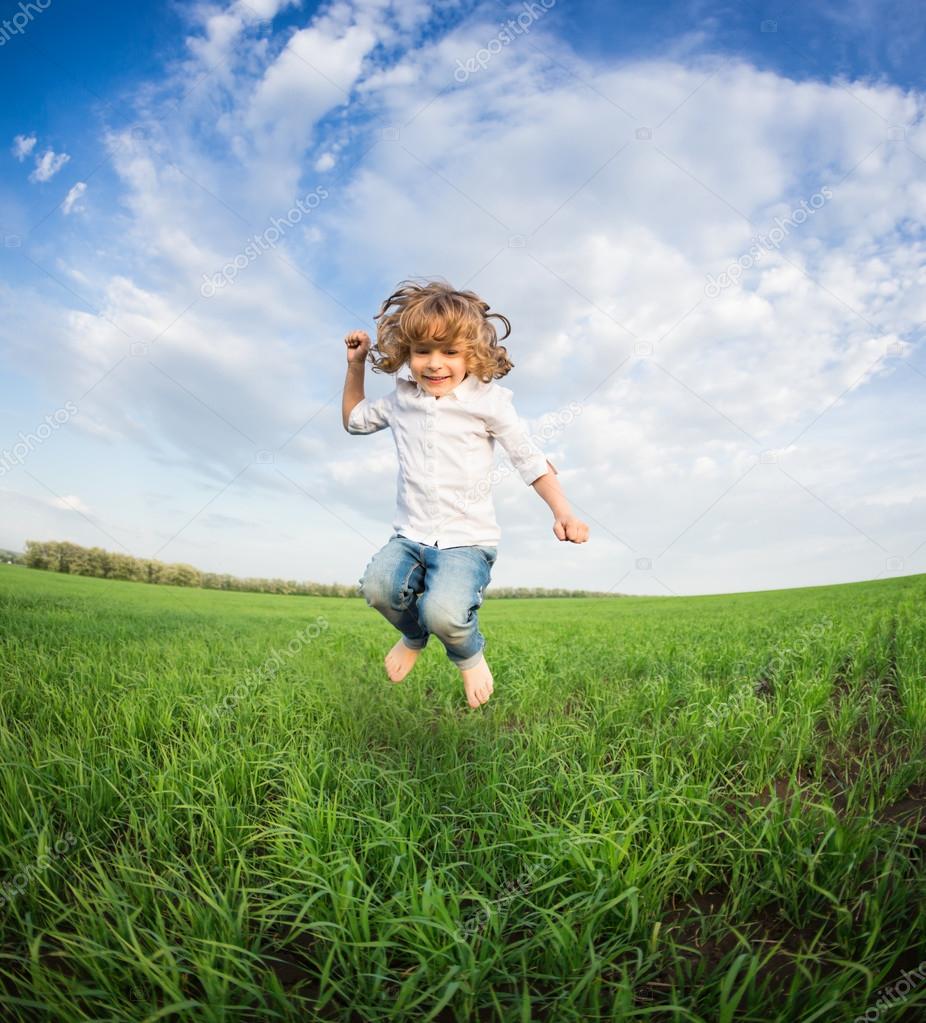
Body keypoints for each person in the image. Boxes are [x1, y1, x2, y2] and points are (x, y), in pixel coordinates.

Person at [342, 278, 589, 708]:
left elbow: (529, 458)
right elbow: (354, 420)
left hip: (467, 542)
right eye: (423, 352)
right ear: (407, 354)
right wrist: (356, 364)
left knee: (445, 614)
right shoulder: (401, 401)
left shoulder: (489, 402)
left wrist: (563, 510)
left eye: (450, 352)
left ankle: (469, 655)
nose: (435, 364)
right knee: (378, 587)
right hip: (410, 535)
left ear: (471, 355)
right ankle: (413, 636)